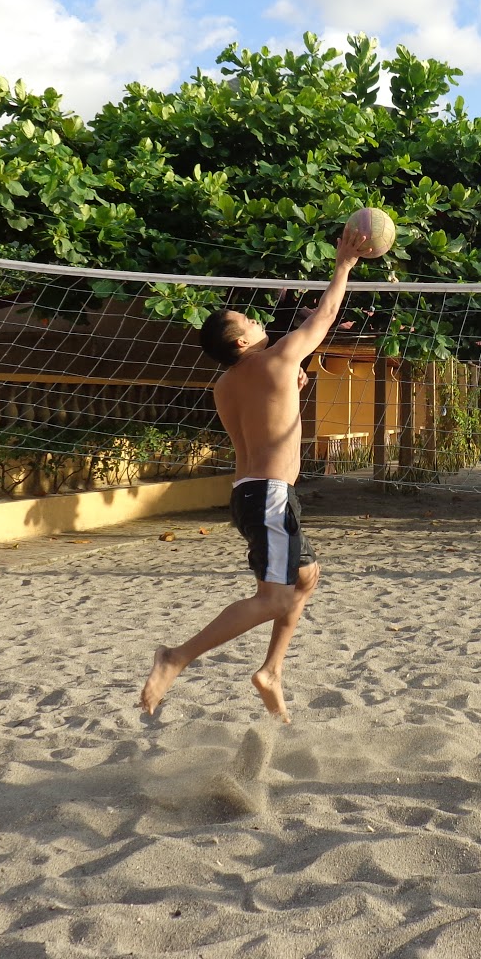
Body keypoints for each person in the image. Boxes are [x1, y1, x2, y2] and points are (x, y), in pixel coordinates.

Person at [139, 223, 369, 722]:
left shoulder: (226, 384)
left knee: (306, 577)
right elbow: (326, 316)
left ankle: (271, 672)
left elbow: (263, 417)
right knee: (276, 596)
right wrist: (344, 265)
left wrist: (292, 389)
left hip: (250, 493)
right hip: (269, 496)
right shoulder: (277, 359)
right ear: (242, 341)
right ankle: (175, 657)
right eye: (247, 319)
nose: (258, 321)